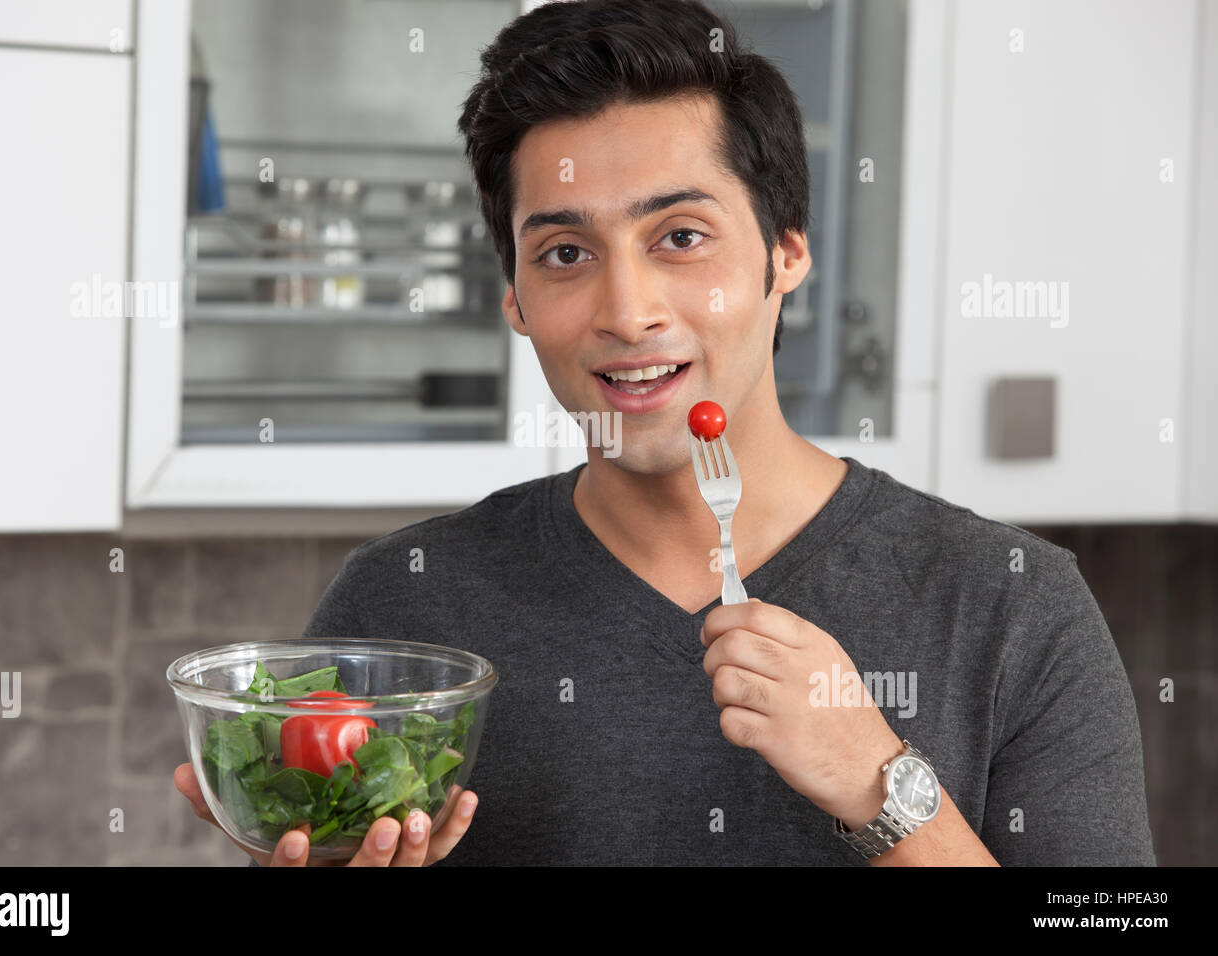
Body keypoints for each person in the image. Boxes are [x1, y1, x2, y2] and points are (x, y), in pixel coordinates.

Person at [177, 0, 1155, 866]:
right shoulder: (406, 610)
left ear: (786, 252)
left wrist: (882, 784)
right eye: (565, 252)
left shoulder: (1013, 608)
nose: (628, 310)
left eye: (680, 236)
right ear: (514, 297)